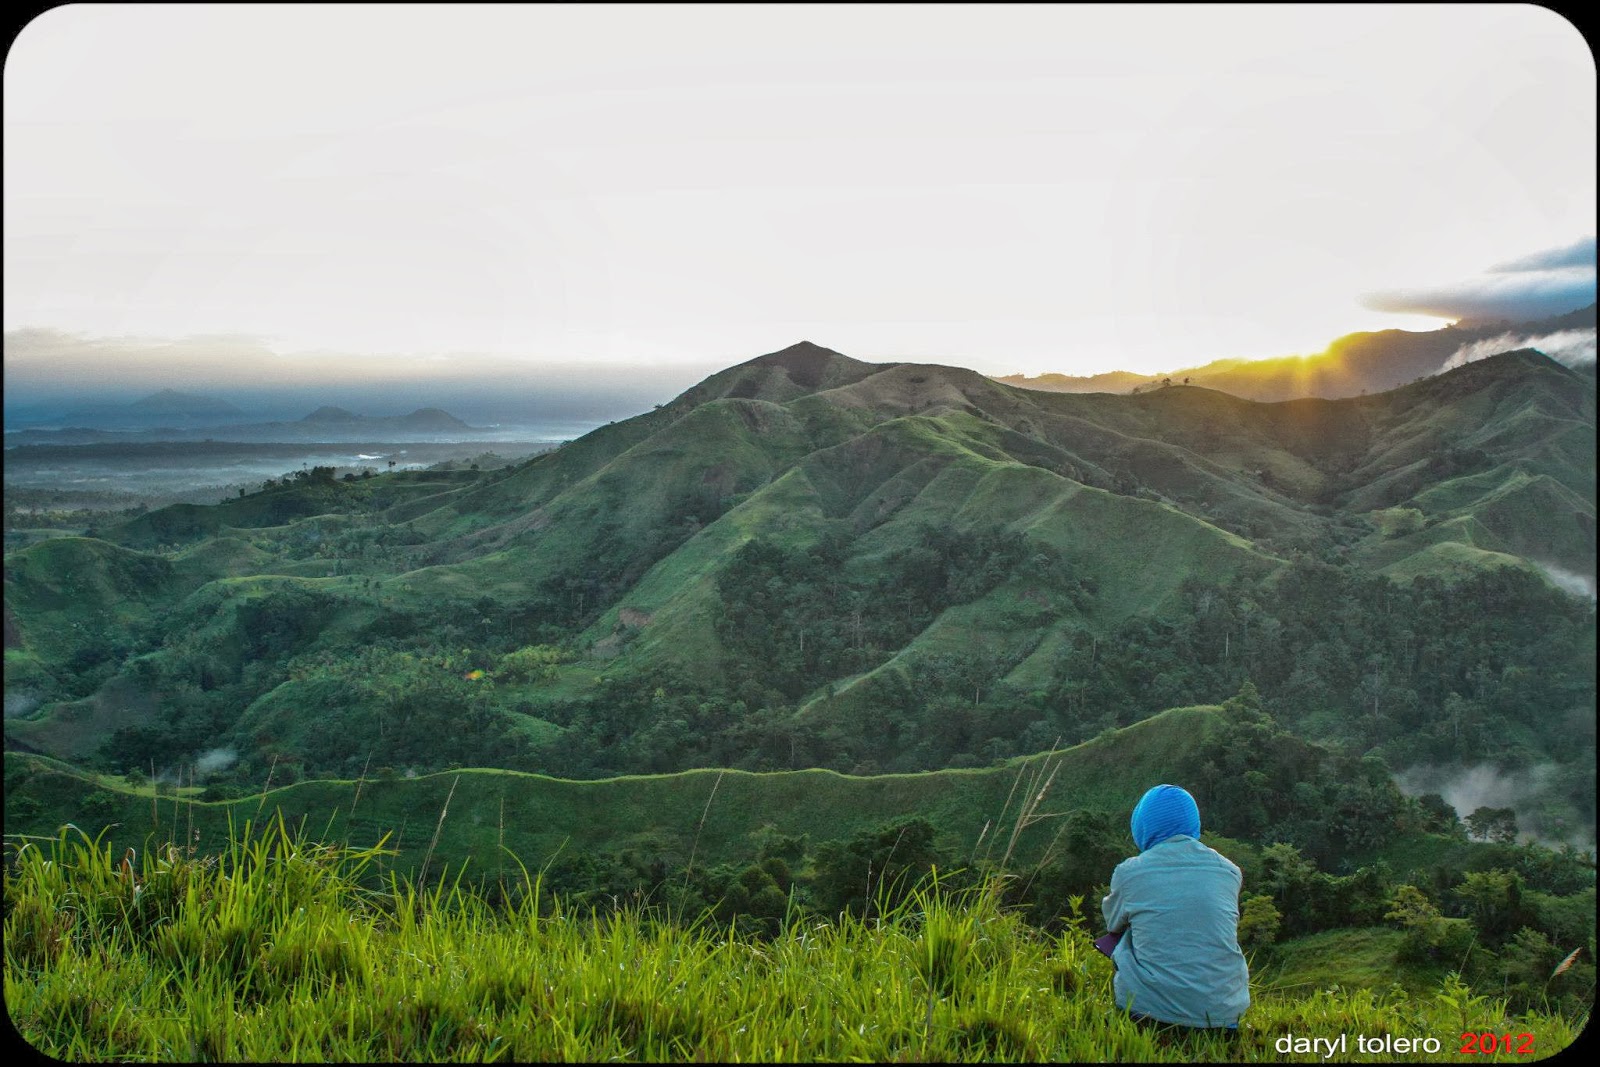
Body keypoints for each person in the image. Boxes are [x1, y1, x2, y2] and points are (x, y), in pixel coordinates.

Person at [1099, 783, 1250, 1030]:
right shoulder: (1229, 871)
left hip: (1148, 1015)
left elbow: (1112, 923)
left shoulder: (1130, 872)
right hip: (1223, 1017)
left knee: (1127, 936)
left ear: (1142, 825)